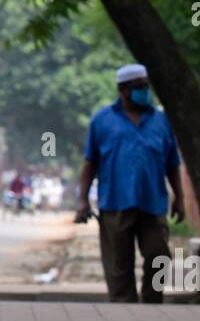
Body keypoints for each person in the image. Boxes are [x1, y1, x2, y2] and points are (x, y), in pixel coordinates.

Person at [75, 64, 185, 303]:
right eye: (139, 88)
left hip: (153, 202)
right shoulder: (102, 121)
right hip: (115, 201)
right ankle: (124, 309)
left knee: (158, 254)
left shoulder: (161, 121)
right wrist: (82, 200)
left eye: (146, 87)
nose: (145, 92)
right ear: (122, 90)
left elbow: (172, 164)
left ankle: (152, 302)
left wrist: (180, 198)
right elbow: (90, 163)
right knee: (118, 263)